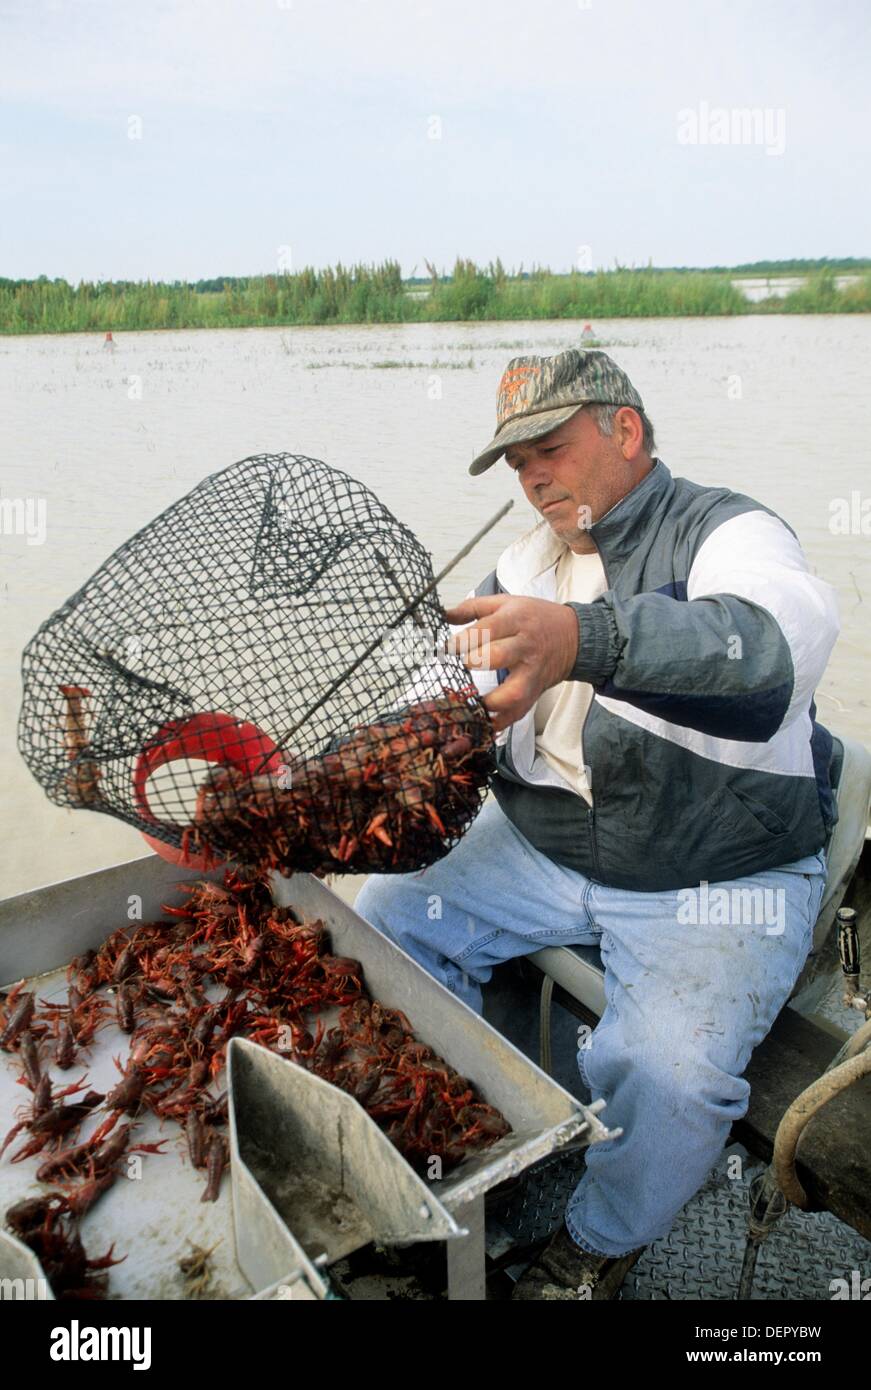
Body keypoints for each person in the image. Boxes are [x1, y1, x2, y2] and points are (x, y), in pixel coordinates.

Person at [355, 348, 840, 1300]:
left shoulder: (726, 532)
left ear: (625, 430)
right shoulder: (522, 562)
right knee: (383, 921)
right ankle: (477, 1136)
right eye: (515, 461)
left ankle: (596, 1241)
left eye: (550, 447)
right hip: (546, 843)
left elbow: (775, 650)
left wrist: (583, 639)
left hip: (715, 867)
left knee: (666, 1071)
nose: (533, 476)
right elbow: (433, 696)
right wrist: (349, 762)